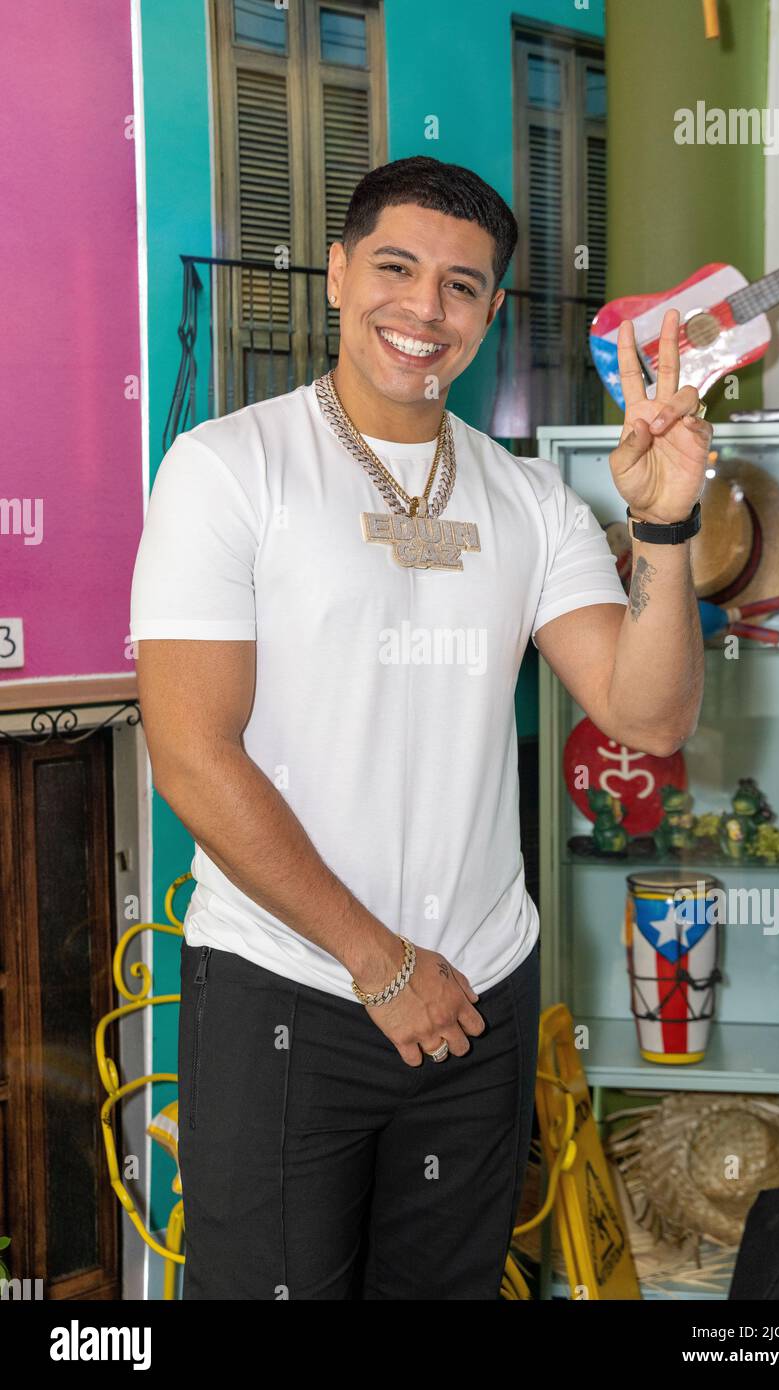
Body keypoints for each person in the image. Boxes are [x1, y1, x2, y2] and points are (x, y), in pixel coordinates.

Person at [129, 154, 711, 1300]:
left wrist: (671, 521)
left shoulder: (529, 500)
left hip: (477, 997)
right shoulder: (228, 470)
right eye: (396, 268)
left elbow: (650, 712)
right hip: (292, 988)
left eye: (461, 286)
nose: (424, 310)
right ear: (340, 275)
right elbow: (193, 752)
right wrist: (379, 961)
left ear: (491, 313)